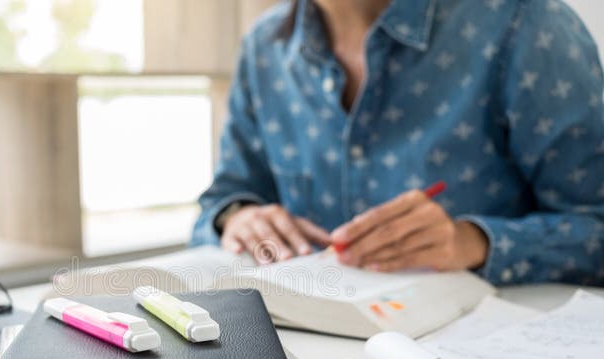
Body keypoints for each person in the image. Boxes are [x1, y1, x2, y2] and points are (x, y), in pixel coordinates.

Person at [190, 0, 604, 285]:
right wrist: (239, 218)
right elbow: (222, 202)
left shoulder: (525, 24)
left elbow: (595, 227)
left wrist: (471, 243)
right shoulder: (264, 48)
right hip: (309, 358)